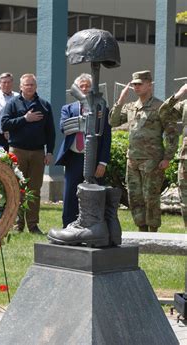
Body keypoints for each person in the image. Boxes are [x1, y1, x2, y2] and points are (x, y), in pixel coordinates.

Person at [109, 70, 178, 232]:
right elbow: (113, 121)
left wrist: (167, 157)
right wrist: (120, 100)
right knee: (135, 198)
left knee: (151, 198)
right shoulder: (131, 107)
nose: (136, 87)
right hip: (132, 160)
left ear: (149, 85)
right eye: (134, 84)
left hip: (152, 161)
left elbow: (172, 133)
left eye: (140, 84)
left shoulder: (160, 107)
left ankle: (153, 232)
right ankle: (141, 230)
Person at [55, 73, 112, 227]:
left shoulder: (101, 109)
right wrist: (84, 121)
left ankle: (95, 226)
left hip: (94, 159)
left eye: (88, 86)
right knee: (70, 196)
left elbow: (106, 137)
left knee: (95, 195)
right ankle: (68, 226)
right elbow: (64, 127)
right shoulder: (68, 109)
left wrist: (103, 162)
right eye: (82, 86)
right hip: (74, 157)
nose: (85, 89)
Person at [1, 73, 55, 234]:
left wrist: (50, 151)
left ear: (36, 87)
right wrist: (25, 118)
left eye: (32, 84)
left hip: (38, 152)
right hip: (17, 151)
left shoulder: (44, 105)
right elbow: (5, 124)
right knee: (16, 188)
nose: (29, 87)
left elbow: (50, 131)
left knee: (34, 190)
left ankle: (33, 225)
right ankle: (18, 225)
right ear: (21, 86)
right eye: (27, 85)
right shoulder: (12, 104)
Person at [159, 83, 187, 228]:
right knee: (185, 199)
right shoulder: (184, 105)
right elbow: (163, 111)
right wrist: (179, 94)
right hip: (185, 158)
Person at [0, 72, 18, 151]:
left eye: (9, 82)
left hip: (15, 135)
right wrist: (3, 131)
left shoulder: (18, 97)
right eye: (4, 82)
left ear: (12, 83)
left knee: (14, 160)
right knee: (0, 161)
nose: (7, 85)